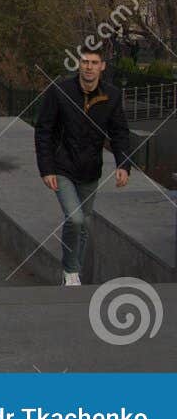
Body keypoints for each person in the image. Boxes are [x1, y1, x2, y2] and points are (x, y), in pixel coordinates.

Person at [33, 47, 133, 285]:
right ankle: (70, 270)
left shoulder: (112, 95)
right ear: (79, 64)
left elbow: (119, 132)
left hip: (90, 169)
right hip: (62, 167)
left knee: (85, 223)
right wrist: (46, 168)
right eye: (84, 61)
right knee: (75, 219)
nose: (88, 66)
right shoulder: (60, 91)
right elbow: (43, 130)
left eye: (94, 62)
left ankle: (74, 272)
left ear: (102, 66)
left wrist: (124, 165)